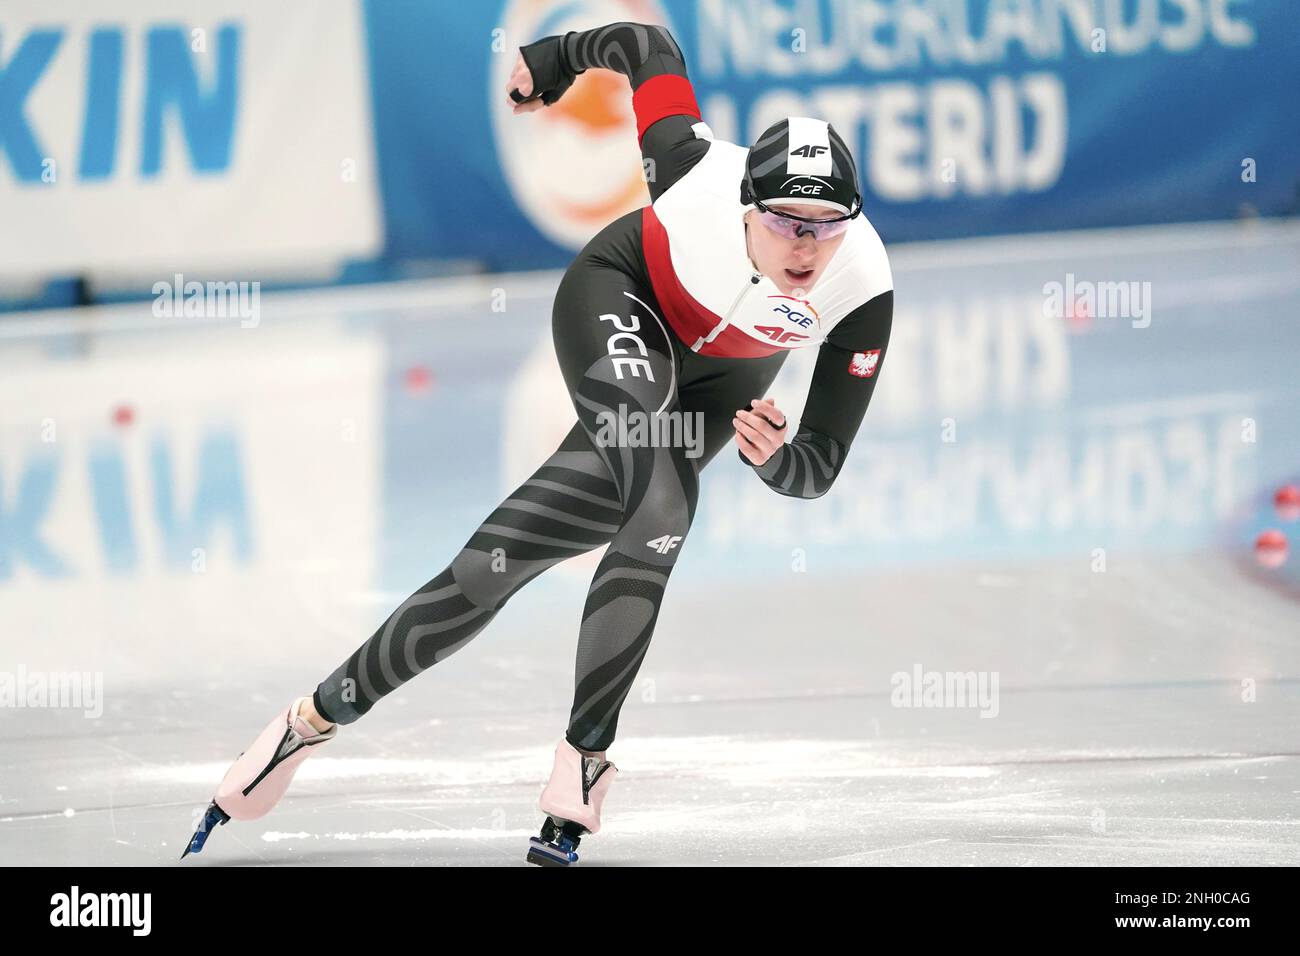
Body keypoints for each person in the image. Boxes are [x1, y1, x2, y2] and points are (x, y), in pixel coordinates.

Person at [184, 20, 894, 866]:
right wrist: (552, 63)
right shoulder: (694, 167)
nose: (808, 246)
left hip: (715, 393)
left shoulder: (863, 288)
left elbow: (819, 466)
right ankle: (585, 765)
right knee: (664, 500)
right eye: (787, 222)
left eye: (828, 224)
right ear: (749, 205)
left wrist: (778, 460)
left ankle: (306, 722)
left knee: (495, 563)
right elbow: (647, 46)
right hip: (621, 303)